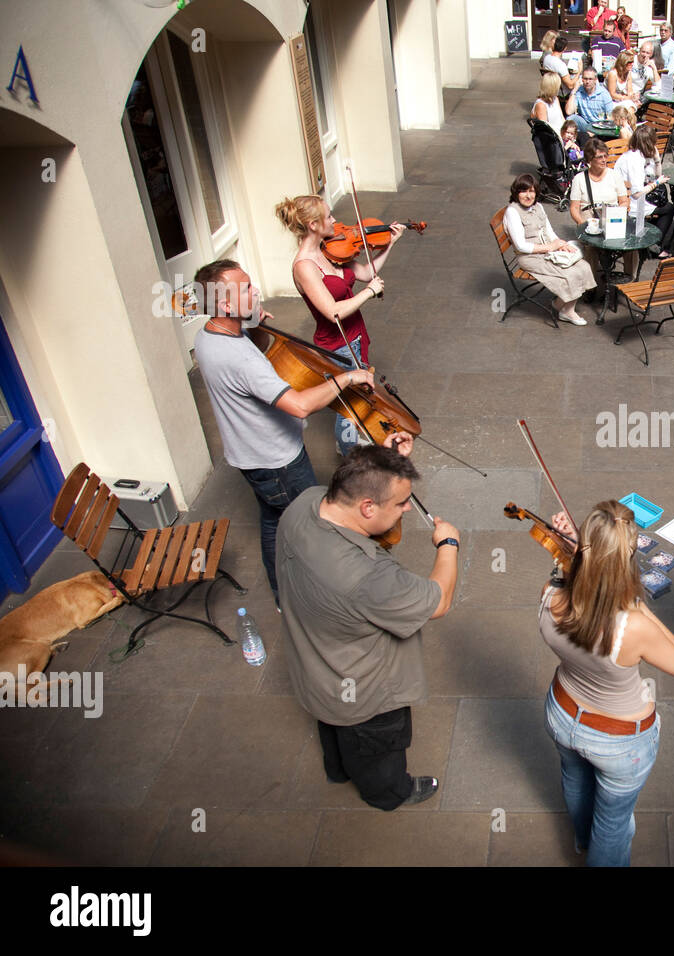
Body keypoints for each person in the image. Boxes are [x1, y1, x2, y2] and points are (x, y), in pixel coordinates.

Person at [277, 439, 458, 811]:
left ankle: (338, 769)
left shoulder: (303, 504)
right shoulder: (368, 576)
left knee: (333, 728)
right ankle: (388, 793)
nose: (408, 508)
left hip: (315, 670)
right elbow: (439, 600)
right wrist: (449, 545)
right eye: (401, 503)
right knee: (379, 751)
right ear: (367, 506)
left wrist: (386, 461)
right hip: (364, 690)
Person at [191, 258, 375, 600]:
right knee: (316, 528)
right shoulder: (241, 359)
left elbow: (243, 350)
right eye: (246, 288)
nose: (255, 289)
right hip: (278, 462)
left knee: (273, 519)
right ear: (227, 304)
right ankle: (327, 600)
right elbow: (301, 405)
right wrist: (347, 376)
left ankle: (280, 594)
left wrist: (253, 323)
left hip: (248, 457)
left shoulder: (208, 336)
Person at [541, 501, 674, 866]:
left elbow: (577, 582)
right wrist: (637, 605)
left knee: (575, 781)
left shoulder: (550, 594)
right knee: (613, 823)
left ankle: (581, 841)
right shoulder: (633, 625)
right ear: (627, 555)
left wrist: (580, 554)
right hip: (619, 738)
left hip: (562, 711)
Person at [276, 195, 403, 457]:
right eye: (329, 216)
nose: (336, 220)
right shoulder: (304, 267)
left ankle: (352, 443)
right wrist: (369, 292)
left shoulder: (331, 249)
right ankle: (351, 457)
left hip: (356, 336)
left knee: (357, 398)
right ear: (313, 224)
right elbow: (333, 313)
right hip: (337, 345)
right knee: (349, 406)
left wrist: (388, 245)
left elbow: (366, 273)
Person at [506, 173, 597, 325]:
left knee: (583, 265)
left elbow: (549, 231)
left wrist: (561, 244)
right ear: (516, 192)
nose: (529, 196)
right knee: (571, 273)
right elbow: (521, 245)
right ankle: (567, 311)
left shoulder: (538, 207)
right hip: (530, 257)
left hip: (548, 250)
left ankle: (560, 304)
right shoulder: (513, 212)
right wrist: (551, 247)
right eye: (524, 191)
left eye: (532, 191)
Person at [615, 124, 674, 258]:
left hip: (636, 198)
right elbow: (637, 193)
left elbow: (656, 175)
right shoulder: (635, 160)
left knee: (665, 205)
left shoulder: (640, 154)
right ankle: (654, 244)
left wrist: (657, 161)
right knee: (669, 208)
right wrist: (656, 183)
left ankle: (652, 242)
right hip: (629, 203)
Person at [569, 138, 630, 273]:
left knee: (631, 249)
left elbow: (624, 201)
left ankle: (629, 281)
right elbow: (574, 207)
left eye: (605, 156)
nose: (604, 160)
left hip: (611, 214)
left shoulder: (614, 175)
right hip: (589, 215)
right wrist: (581, 223)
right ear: (590, 160)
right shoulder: (579, 179)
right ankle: (594, 286)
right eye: (599, 157)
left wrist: (620, 212)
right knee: (591, 249)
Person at [565, 66, 615, 134]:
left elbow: (611, 116)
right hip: (585, 124)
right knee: (570, 118)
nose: (587, 82)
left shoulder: (604, 94)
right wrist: (574, 90)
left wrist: (597, 130)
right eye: (585, 79)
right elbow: (568, 111)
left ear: (595, 80)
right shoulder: (579, 92)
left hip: (600, 126)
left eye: (590, 79)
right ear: (582, 79)